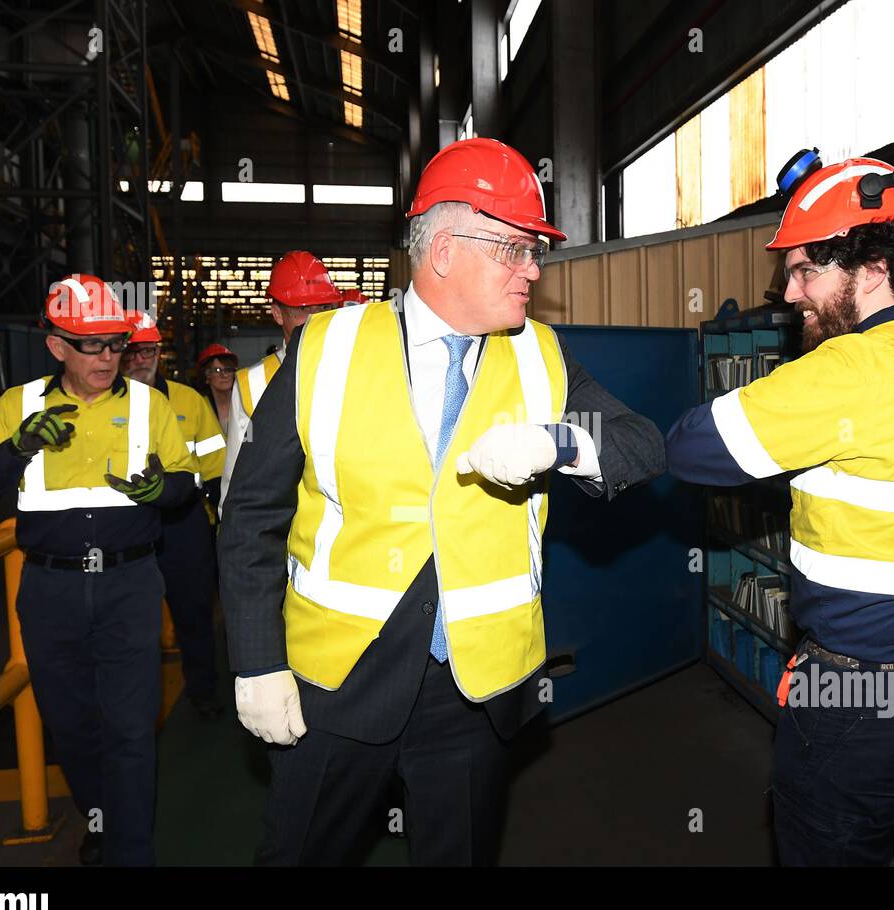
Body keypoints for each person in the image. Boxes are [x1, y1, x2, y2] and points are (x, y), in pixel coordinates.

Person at [218, 137, 666, 865]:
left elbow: (643, 443)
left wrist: (562, 444)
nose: (533, 270)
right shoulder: (325, 348)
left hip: (474, 693)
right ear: (447, 250)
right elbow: (251, 519)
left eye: (534, 252)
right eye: (515, 250)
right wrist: (256, 662)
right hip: (336, 682)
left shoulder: (541, 356)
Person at [665, 151, 894, 865]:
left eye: (806, 270)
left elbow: (689, 448)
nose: (788, 291)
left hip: (861, 699)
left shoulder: (839, 372)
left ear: (871, 270)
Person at [0, 274, 197, 866]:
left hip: (129, 586)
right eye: (93, 345)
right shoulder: (19, 407)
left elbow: (187, 483)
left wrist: (163, 489)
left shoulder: (150, 405)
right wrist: (16, 448)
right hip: (50, 590)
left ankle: (130, 853)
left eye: (115, 344)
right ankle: (102, 819)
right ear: (56, 345)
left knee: (132, 730)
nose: (109, 357)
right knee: (72, 725)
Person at [121, 310, 228, 718]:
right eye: (131, 352)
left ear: (158, 352)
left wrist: (223, 522)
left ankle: (203, 692)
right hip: (129, 526)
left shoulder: (188, 401)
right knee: (134, 625)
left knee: (194, 614)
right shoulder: (103, 405)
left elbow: (215, 466)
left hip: (184, 524)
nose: (139, 360)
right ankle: (137, 703)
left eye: (146, 350)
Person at [217, 251, 342, 512]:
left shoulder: (353, 368)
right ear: (277, 313)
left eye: (325, 308)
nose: (315, 320)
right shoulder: (251, 384)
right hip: (278, 534)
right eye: (304, 310)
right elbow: (236, 478)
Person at [197, 343, 239, 435]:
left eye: (228, 369)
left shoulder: (244, 403)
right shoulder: (199, 406)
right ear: (207, 375)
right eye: (217, 370)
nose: (224, 375)